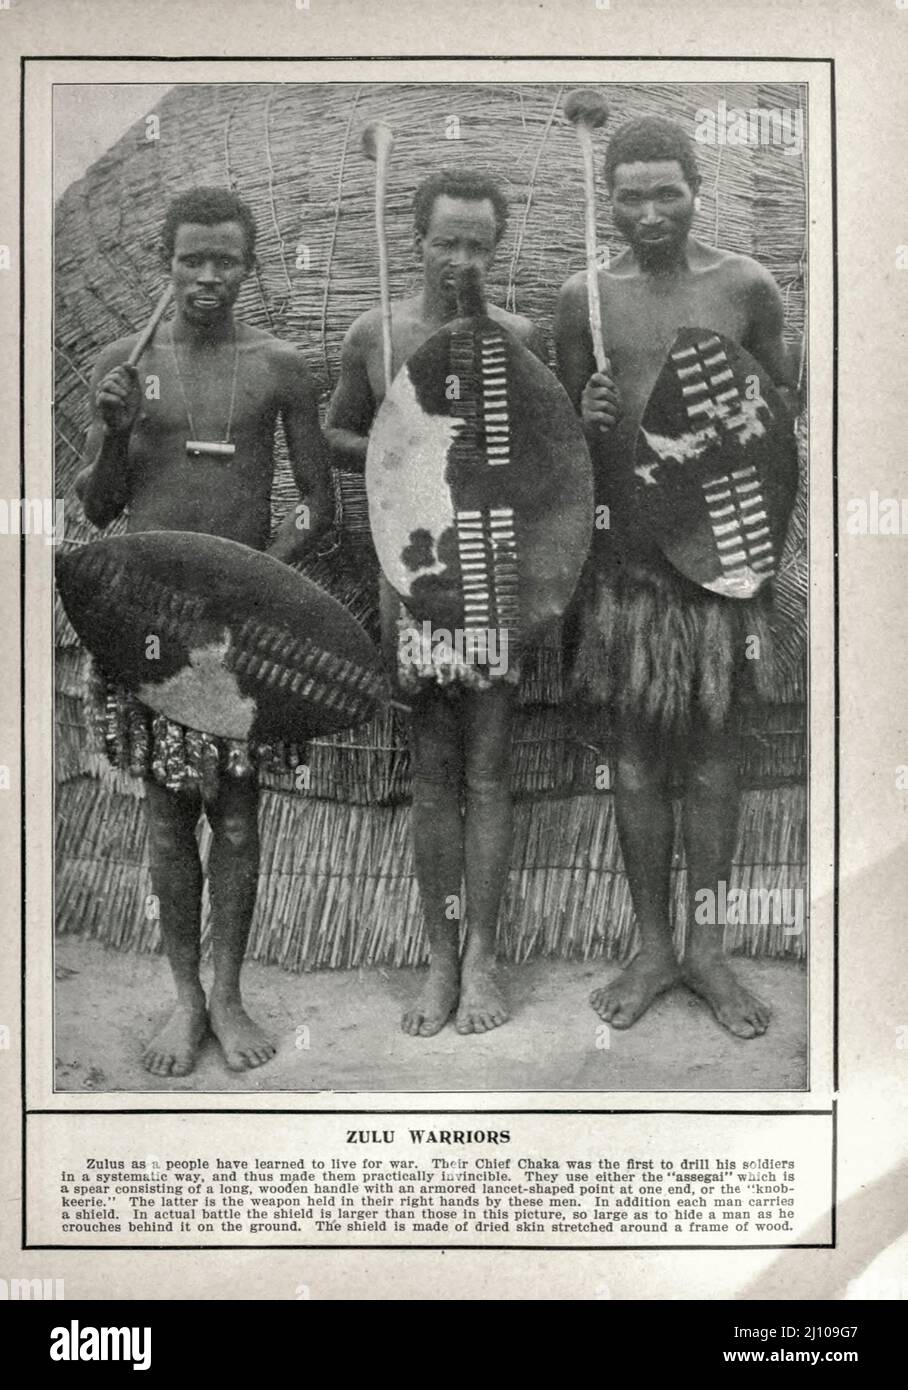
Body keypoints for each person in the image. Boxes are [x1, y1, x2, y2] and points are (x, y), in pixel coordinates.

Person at [555, 115, 800, 1039]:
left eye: (668, 191)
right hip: (626, 565)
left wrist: (736, 412)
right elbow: (566, 451)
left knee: (712, 758)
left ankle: (708, 950)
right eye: (630, 194)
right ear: (608, 199)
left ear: (697, 191)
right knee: (635, 758)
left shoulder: (745, 285)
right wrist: (587, 408)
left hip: (724, 558)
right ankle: (654, 946)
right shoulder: (585, 298)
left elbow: (783, 406)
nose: (649, 211)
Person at [77, 186, 332, 1075]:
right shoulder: (128, 363)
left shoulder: (279, 368)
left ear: (251, 267)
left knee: (238, 821)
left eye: (227, 260)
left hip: (239, 635)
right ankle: (183, 1000)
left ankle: (228, 993)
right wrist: (114, 434)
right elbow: (101, 506)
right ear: (167, 263)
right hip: (144, 628)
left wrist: (258, 584)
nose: (209, 276)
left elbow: (318, 506)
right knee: (163, 820)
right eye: (193, 259)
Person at [326, 168, 545, 1037]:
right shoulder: (376, 332)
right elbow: (336, 430)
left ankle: (484, 957)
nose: (461, 258)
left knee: (489, 773)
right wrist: (393, 439)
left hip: (495, 568)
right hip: (411, 569)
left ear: (496, 250)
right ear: (416, 240)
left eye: (477, 245)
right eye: (445, 240)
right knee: (431, 776)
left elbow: (551, 459)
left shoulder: (519, 335)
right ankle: (440, 960)